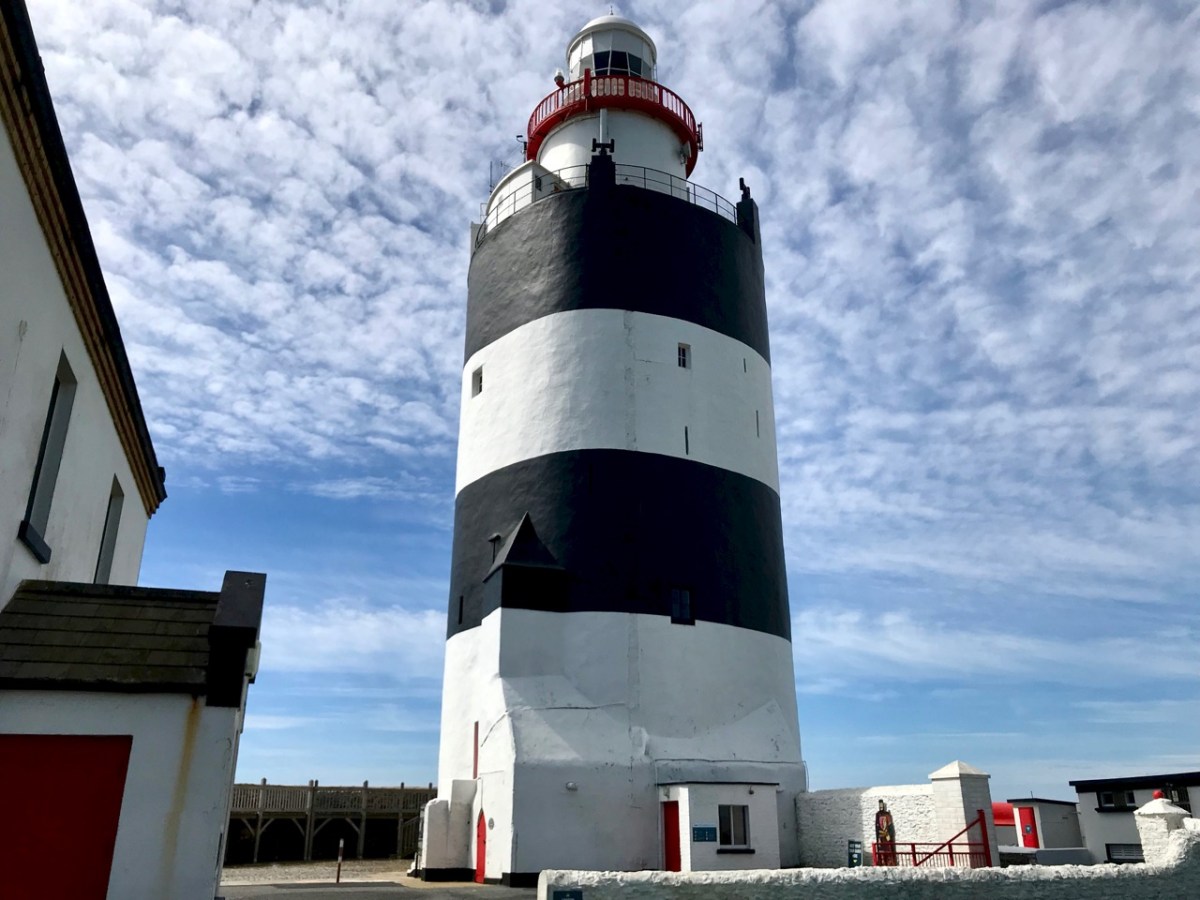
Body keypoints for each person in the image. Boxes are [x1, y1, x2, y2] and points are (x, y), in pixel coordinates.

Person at [875, 799, 897, 865]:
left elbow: (890, 825)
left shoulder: (887, 815)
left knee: (888, 849)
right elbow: (877, 826)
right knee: (882, 849)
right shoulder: (878, 815)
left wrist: (888, 834)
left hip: (887, 836)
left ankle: (890, 862)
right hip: (881, 836)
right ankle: (882, 862)